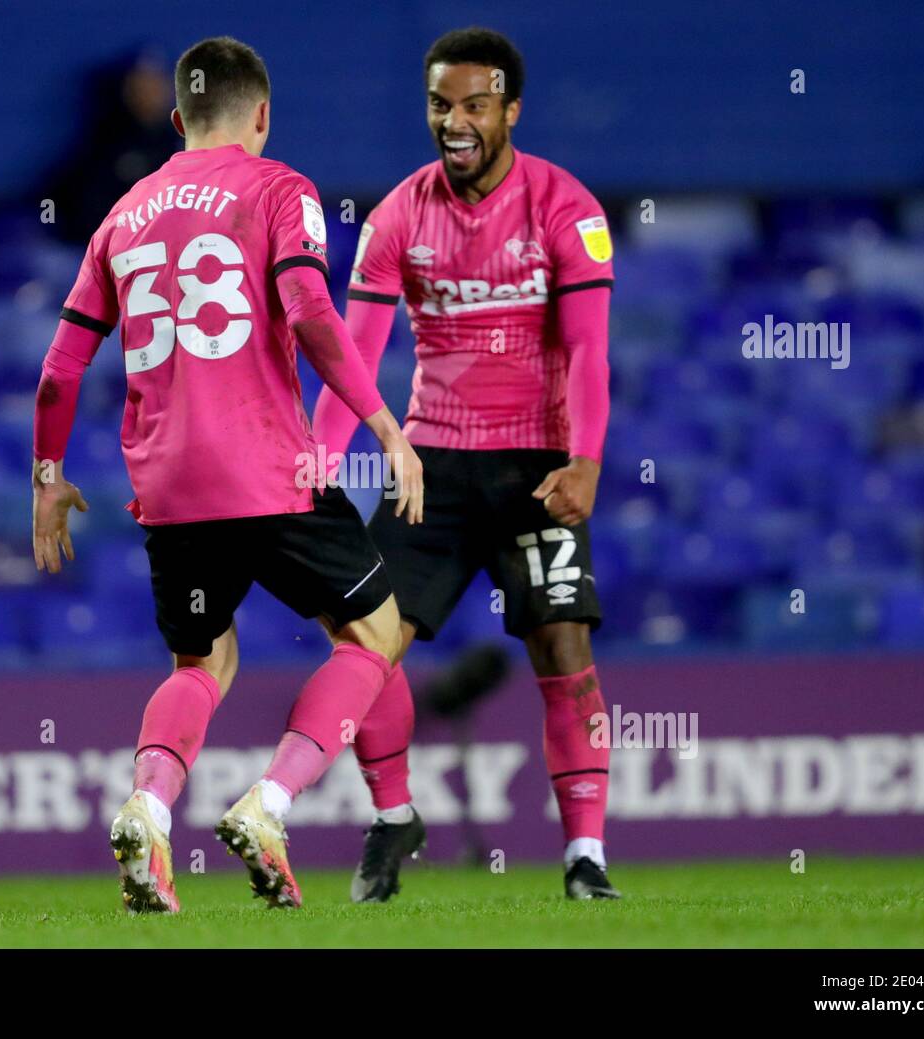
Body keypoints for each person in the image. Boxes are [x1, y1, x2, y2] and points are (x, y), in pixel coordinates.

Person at [31, 36, 424, 913]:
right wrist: (382, 423)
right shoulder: (282, 189)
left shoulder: (123, 211)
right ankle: (270, 801)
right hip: (269, 468)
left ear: (176, 121)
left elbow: (60, 369)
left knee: (201, 662)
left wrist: (48, 477)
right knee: (375, 635)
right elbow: (312, 309)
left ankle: (148, 807)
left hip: (168, 487)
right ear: (262, 115)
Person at [312, 26, 619, 901]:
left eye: (474, 104)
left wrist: (588, 460)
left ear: (510, 110)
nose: (456, 120)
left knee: (564, 650)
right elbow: (353, 359)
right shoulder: (396, 218)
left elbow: (590, 354)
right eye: (442, 104)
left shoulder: (568, 209)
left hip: (536, 467)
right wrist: (316, 464)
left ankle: (585, 858)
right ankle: (393, 818)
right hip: (433, 470)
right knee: (364, 648)